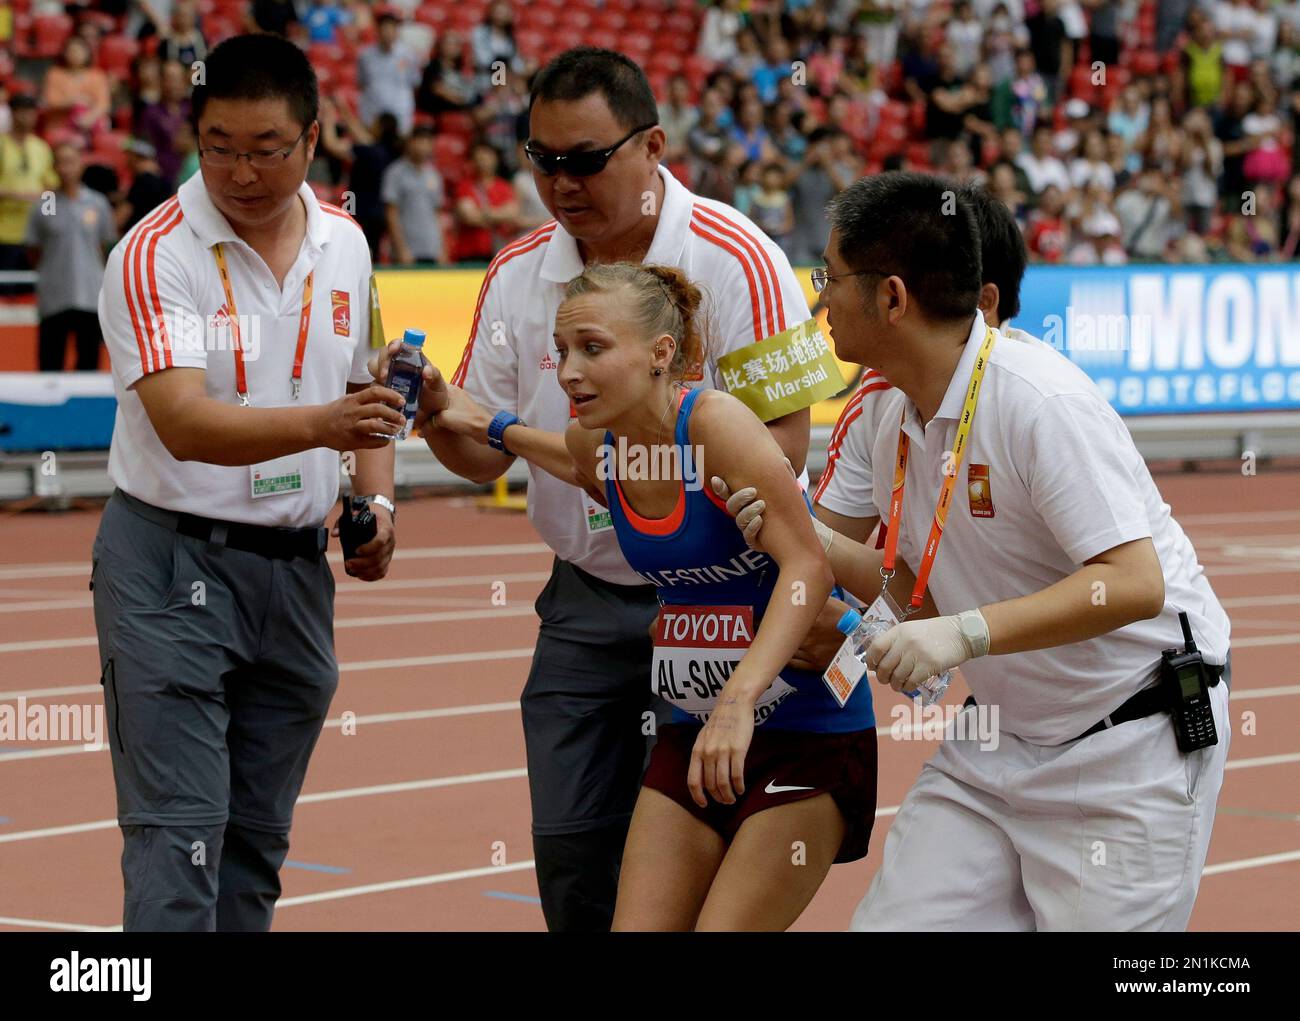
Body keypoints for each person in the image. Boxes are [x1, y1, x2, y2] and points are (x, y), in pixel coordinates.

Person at [371, 46, 818, 932]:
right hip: (581, 605)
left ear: (652, 145)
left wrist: (629, 473)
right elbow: (482, 459)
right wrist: (438, 417)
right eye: (542, 160)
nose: (561, 182)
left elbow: (787, 448)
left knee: (700, 860)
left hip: (715, 602)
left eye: (586, 159)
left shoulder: (739, 259)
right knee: (573, 848)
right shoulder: (516, 272)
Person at [728, 172, 1232, 931]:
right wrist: (802, 533)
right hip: (998, 737)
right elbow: (918, 589)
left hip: (1130, 743)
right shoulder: (883, 408)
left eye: (829, 277)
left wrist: (961, 634)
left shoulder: (1037, 401)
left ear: (892, 298)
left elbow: (1134, 583)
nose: (818, 298)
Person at [426, 261, 879, 930]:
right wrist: (485, 424)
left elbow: (807, 563)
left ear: (661, 354)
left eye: (593, 348)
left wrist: (738, 700)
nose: (569, 371)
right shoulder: (598, 444)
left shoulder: (718, 425)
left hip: (805, 732)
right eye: (563, 351)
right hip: (693, 731)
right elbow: (566, 458)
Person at [92, 33, 405, 932]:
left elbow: (367, 389)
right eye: (218, 145)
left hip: (297, 577)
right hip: (169, 567)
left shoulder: (345, 244)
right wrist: (325, 430)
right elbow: (183, 424)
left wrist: (375, 501)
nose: (240, 170)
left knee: (255, 849)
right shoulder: (156, 254)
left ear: (313, 141)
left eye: (267, 148)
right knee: (178, 840)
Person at [27, 141, 117, 371]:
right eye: (61, 162)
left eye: (71, 162)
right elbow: (34, 247)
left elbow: (106, 245)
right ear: (54, 167)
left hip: (89, 294)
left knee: (88, 361)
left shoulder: (97, 202)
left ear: (80, 165)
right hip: (54, 295)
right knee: (50, 361)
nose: (66, 168)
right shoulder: (48, 202)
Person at [0, 95, 57, 295]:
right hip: (5, 232)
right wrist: (20, 195)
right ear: (13, 114)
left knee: (34, 292)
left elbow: (51, 189)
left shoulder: (41, 148)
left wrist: (49, 221)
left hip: (34, 234)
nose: (27, 117)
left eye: (31, 112)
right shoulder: (2, 144)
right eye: (21, 111)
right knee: (6, 293)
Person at [381, 122, 445, 265]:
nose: (424, 145)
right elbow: (391, 214)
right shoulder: (395, 173)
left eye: (428, 141)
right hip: (408, 252)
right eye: (420, 140)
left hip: (431, 249)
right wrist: (401, 248)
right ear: (410, 142)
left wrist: (442, 249)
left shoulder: (434, 174)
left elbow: (438, 215)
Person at [357, 11, 419, 136]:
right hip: (373, 110)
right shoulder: (365, 56)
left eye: (391, 29)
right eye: (384, 29)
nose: (388, 33)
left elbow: (414, 83)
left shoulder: (408, 55)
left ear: (397, 31)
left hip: (400, 110)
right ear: (378, 31)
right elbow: (361, 83)